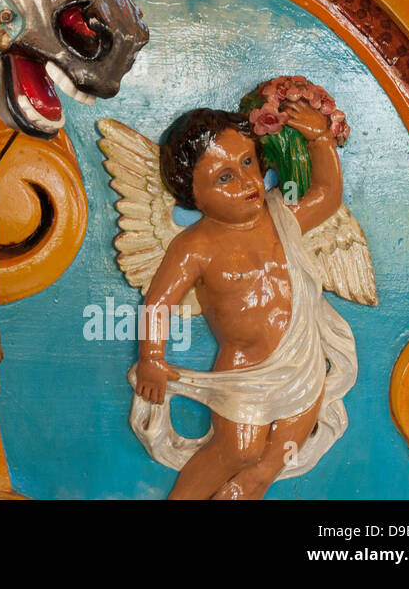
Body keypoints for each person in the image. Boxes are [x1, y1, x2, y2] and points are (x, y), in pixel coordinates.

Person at [133, 103, 351, 499]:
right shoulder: (194, 247)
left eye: (248, 161)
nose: (248, 181)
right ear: (192, 196)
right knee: (239, 449)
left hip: (301, 362)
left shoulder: (281, 216)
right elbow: (158, 304)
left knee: (274, 458)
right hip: (244, 370)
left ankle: (249, 487)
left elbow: (327, 194)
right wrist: (151, 358)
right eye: (225, 177)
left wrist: (319, 139)